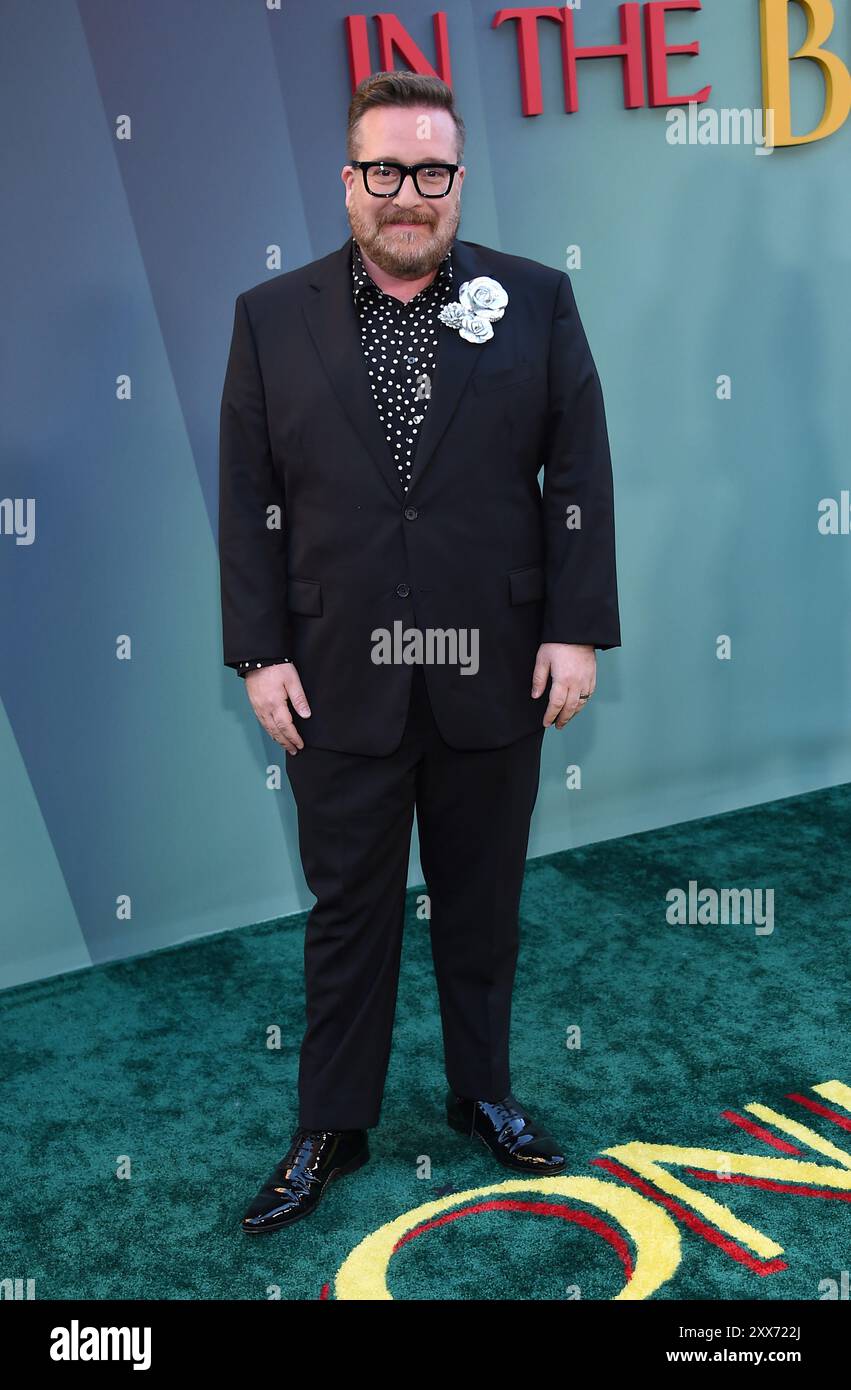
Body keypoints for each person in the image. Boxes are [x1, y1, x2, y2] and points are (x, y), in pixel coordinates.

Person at [217, 70, 621, 1234]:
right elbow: (248, 500)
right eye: (384, 170)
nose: (409, 193)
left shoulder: (535, 299)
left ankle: (482, 1093)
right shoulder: (267, 314)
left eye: (431, 171)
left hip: (495, 663)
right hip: (333, 671)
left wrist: (573, 629)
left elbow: (577, 475)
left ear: (457, 180)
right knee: (348, 909)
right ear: (347, 182)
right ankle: (330, 1126)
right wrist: (258, 654)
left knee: (482, 900)